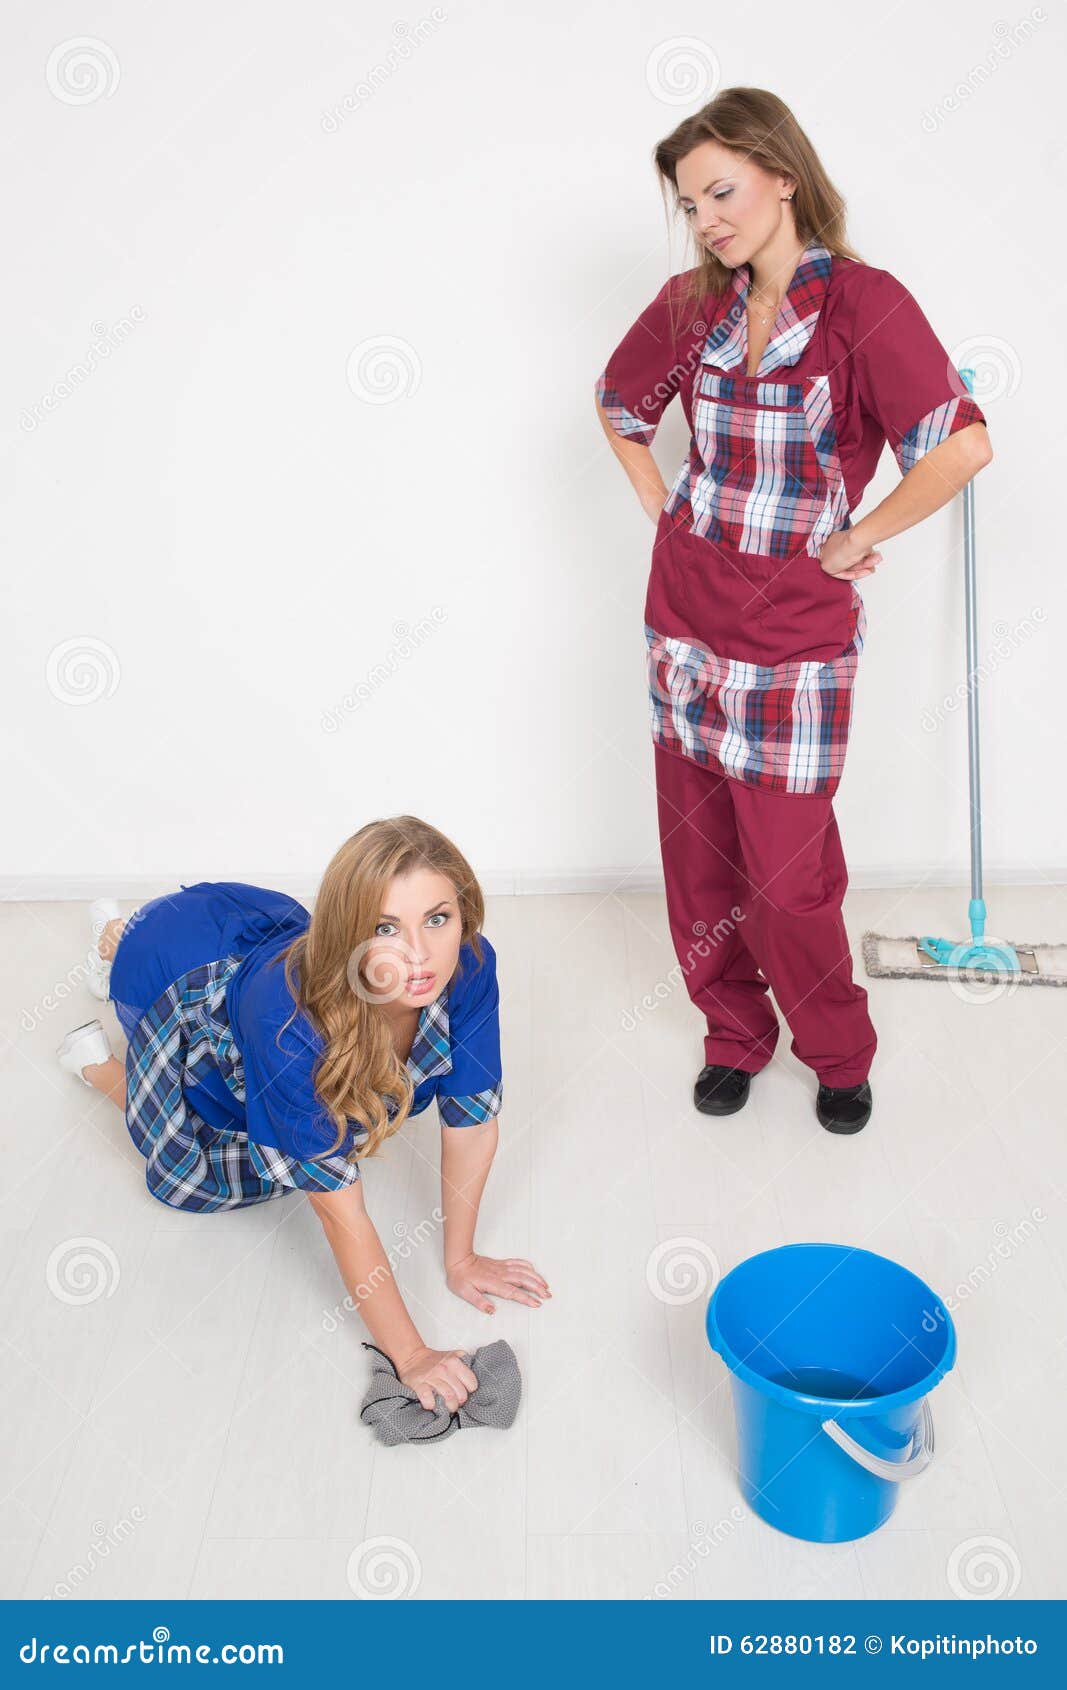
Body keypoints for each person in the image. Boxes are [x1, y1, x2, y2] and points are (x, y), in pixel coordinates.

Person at [594, 86, 992, 1134]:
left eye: (720, 190)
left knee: (786, 878)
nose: (707, 218)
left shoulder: (866, 306)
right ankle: (732, 1033)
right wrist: (662, 507)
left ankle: (835, 1049)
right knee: (698, 866)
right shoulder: (692, 308)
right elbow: (618, 405)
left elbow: (958, 444)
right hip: (682, 621)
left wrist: (856, 536)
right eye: (689, 204)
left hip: (790, 644)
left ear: (781, 174)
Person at [55, 816, 550, 1412]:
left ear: (463, 915)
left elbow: (471, 1124)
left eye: (437, 919)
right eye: (386, 928)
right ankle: (108, 1029)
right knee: (210, 1169)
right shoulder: (290, 1028)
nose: (421, 955)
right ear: (350, 932)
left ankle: (112, 932)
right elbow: (341, 1215)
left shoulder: (467, 963)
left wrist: (461, 1259)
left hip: (253, 925)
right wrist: (412, 1355)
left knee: (336, 1116)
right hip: (172, 968)